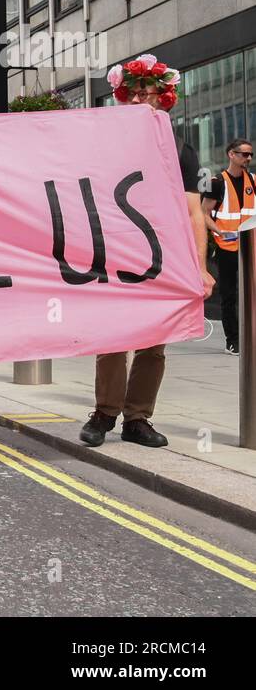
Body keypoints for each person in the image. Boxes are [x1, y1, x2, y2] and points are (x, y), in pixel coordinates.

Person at [80, 55, 216, 448]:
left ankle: (137, 418)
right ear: (123, 97)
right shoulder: (101, 143)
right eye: (134, 94)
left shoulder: (180, 149)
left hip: (162, 256)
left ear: (162, 97)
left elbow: (192, 211)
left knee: (154, 342)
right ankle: (104, 413)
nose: (141, 99)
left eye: (148, 93)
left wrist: (200, 267)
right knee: (112, 337)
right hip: (115, 251)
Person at [203, 138, 254, 356]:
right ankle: (232, 340)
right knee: (229, 295)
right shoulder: (216, 183)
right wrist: (220, 230)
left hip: (250, 248)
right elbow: (204, 214)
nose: (248, 158)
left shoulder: (252, 180)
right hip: (227, 247)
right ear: (231, 155)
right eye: (244, 154)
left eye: (250, 154)